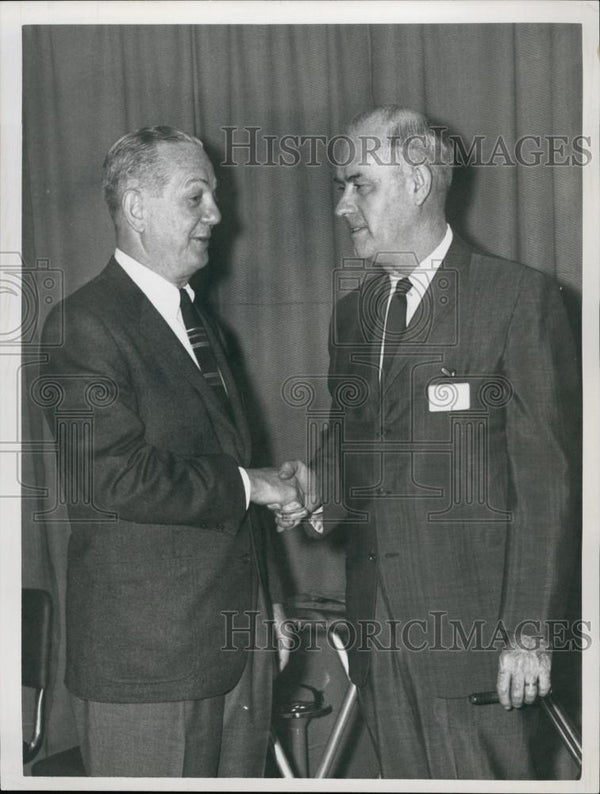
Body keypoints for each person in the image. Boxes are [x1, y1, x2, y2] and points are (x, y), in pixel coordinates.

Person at [276, 106, 580, 779]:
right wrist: (318, 487)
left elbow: (548, 483)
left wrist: (529, 630)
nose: (342, 207)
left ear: (416, 182)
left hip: (477, 640)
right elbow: (350, 439)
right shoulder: (354, 317)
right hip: (380, 635)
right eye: (340, 188)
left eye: (359, 185)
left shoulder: (515, 300)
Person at [39, 126, 307, 777]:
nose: (217, 215)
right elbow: (116, 477)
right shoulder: (82, 325)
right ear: (136, 206)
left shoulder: (201, 325)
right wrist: (254, 485)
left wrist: (263, 600)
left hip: (237, 655)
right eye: (197, 198)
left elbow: (229, 459)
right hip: (149, 668)